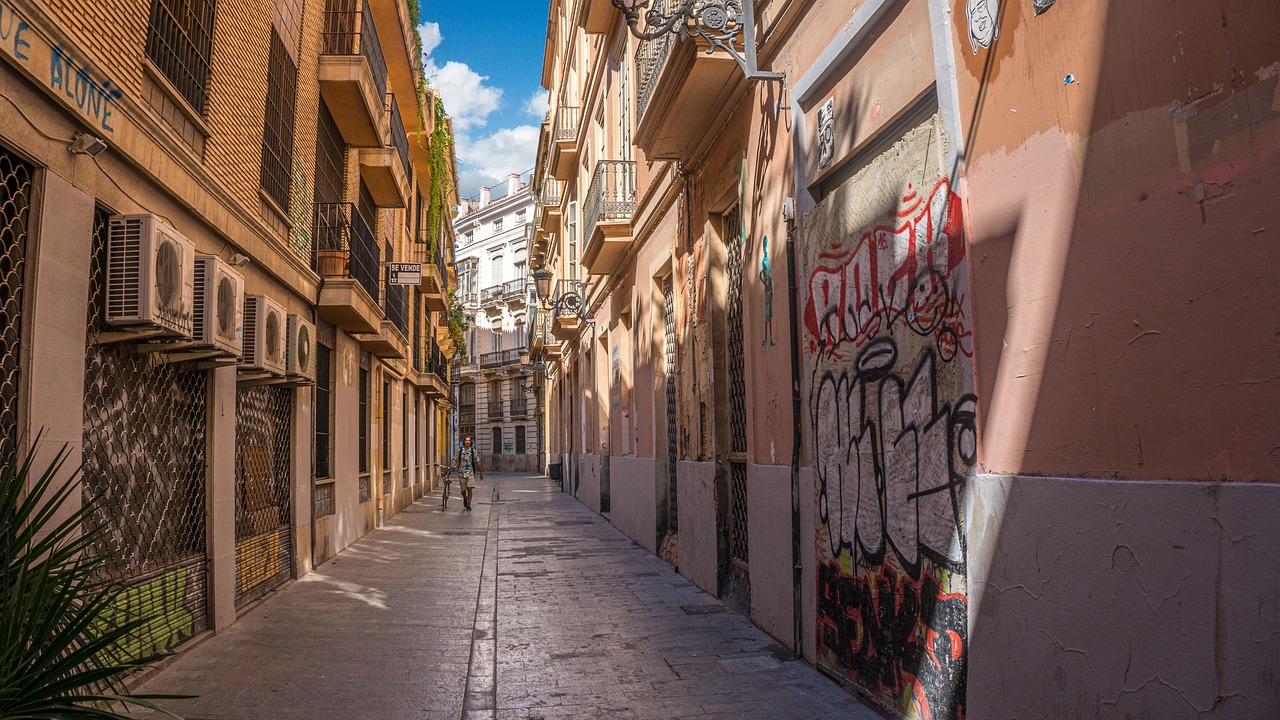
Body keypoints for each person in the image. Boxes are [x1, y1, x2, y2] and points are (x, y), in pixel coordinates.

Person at [455, 435, 482, 511]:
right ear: (464, 442)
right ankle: (465, 498)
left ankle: (469, 504)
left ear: (471, 442)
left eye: (469, 440)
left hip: (470, 473)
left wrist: (481, 472)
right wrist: (451, 466)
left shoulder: (473, 451)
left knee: (469, 488)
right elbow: (455, 459)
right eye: (466, 440)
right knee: (463, 490)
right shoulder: (459, 451)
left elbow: (477, 461)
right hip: (461, 474)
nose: (467, 442)